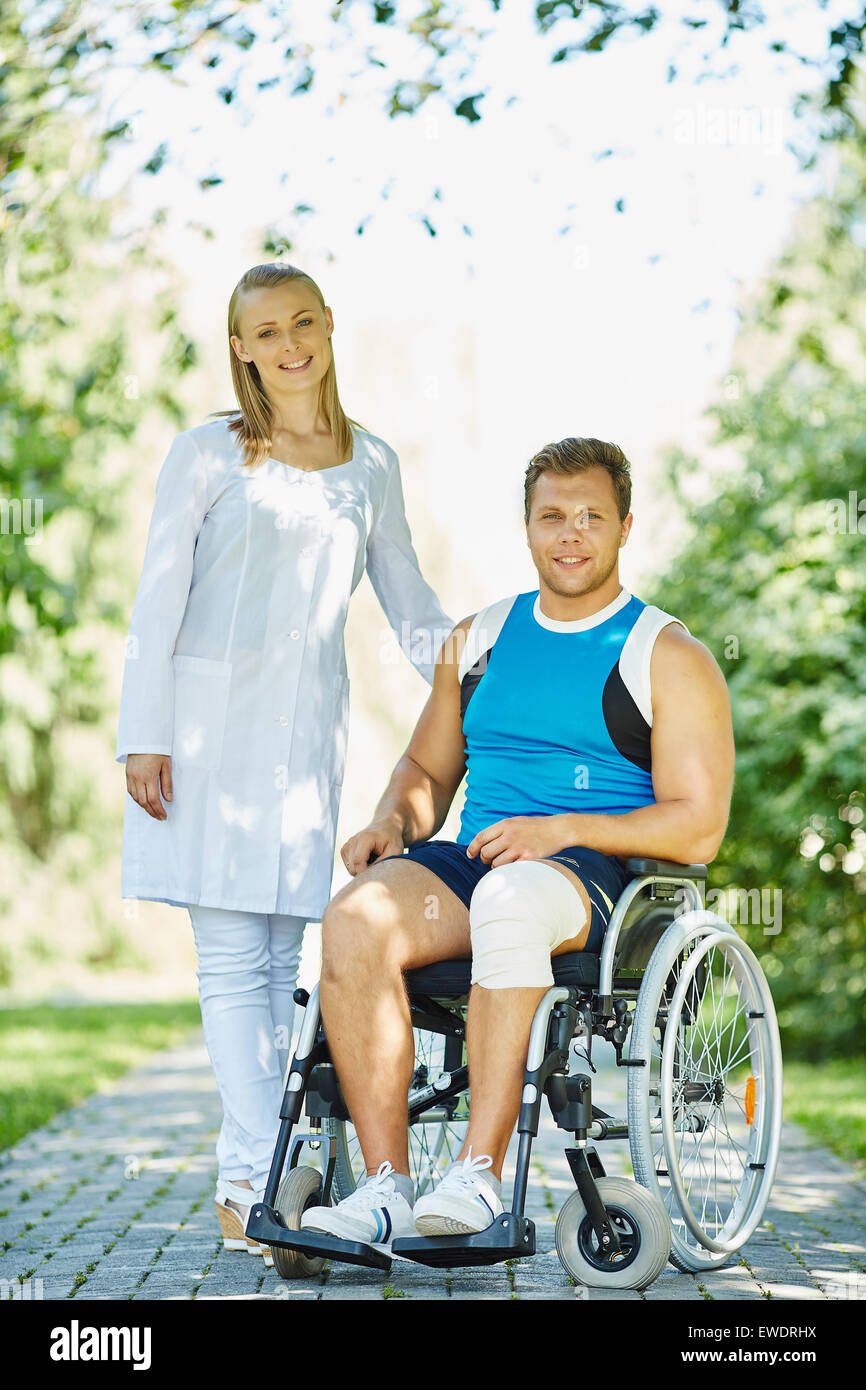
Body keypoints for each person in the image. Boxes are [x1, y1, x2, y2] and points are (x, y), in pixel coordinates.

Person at [300, 435, 734, 1251]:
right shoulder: (478, 639)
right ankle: (387, 1190)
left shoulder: (666, 653)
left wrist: (561, 828)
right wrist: (392, 822)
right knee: (354, 918)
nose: (571, 534)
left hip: (594, 871)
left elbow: (698, 822)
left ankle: (480, 1175)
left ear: (626, 527)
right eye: (552, 517)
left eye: (590, 517)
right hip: (477, 859)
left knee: (509, 899)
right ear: (528, 527)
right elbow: (427, 769)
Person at [115, 262, 453, 1260]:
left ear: (328, 325)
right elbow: (156, 596)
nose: (288, 343)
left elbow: (409, 600)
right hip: (199, 741)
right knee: (231, 963)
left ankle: (246, 1190)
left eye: (302, 322)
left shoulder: (372, 464)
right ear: (241, 347)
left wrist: (496, 656)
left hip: (303, 747)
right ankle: (260, 1178)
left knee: (279, 965)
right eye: (266, 331)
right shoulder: (208, 454)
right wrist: (146, 731)